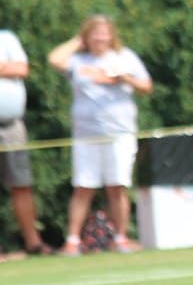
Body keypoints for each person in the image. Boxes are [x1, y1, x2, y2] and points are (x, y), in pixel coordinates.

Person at [47, 15, 153, 255]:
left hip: (119, 132)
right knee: (83, 186)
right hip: (86, 135)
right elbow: (54, 59)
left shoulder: (125, 57)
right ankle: (72, 241)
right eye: (95, 33)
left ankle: (121, 237)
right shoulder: (78, 60)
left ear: (112, 35)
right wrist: (78, 40)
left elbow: (147, 86)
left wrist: (124, 77)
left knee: (117, 186)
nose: (101, 37)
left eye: (105, 33)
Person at [0, 29, 50, 257]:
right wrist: (4, 68)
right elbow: (12, 68)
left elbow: (21, 68)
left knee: (21, 183)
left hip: (12, 124)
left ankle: (33, 242)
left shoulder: (6, 38)